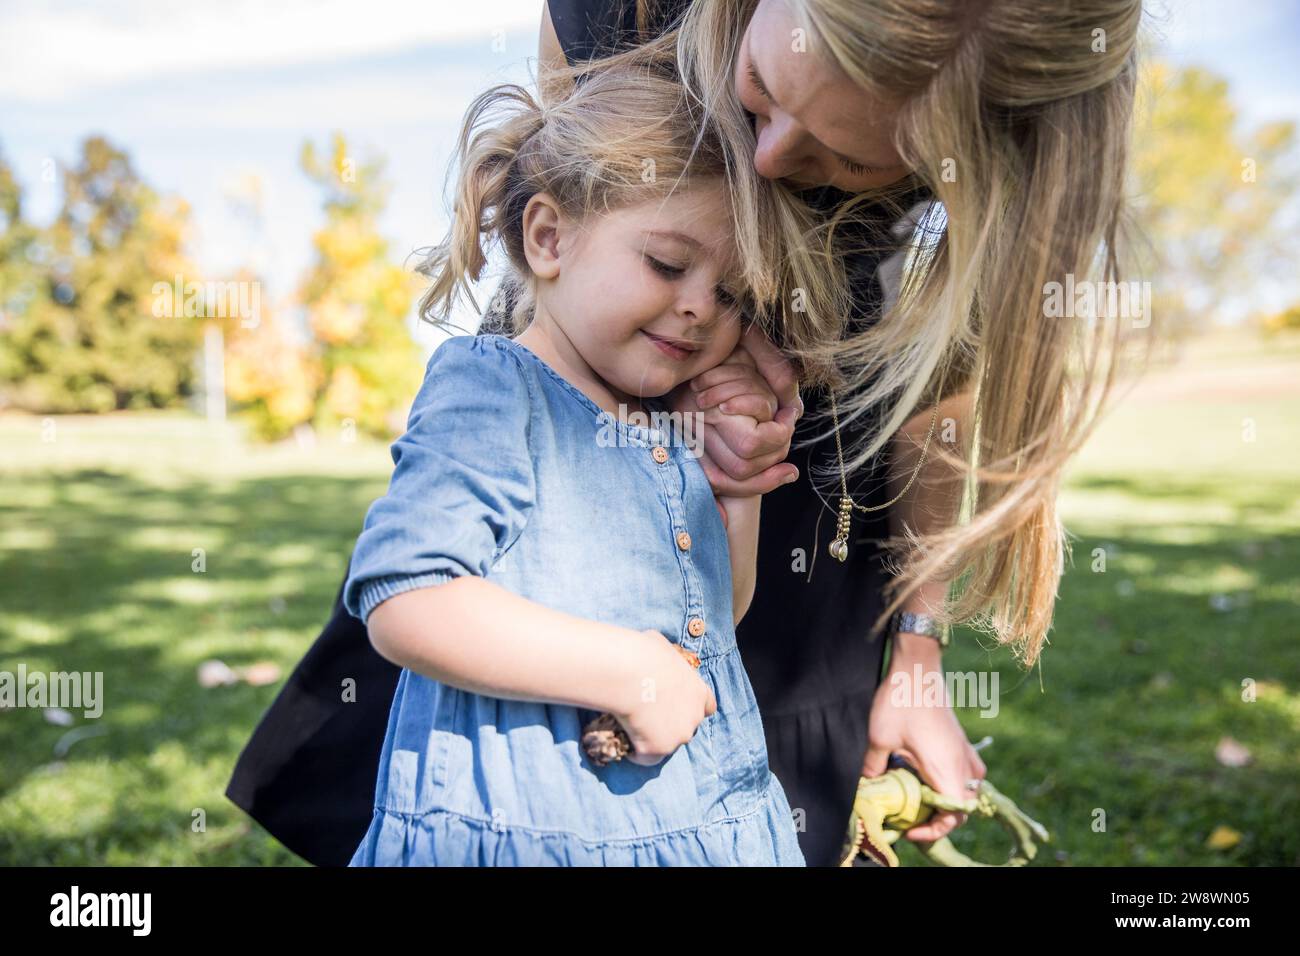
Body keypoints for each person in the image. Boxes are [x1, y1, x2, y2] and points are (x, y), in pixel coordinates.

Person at [228, 0, 1145, 867]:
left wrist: (904, 639)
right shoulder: (505, 396)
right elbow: (414, 588)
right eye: (764, 93)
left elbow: (712, 604)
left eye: (848, 158)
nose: (773, 159)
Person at [341, 52, 852, 864]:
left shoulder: (662, 420)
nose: (697, 307)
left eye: (730, 295)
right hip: (542, 827)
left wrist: (738, 494)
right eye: (667, 264)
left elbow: (713, 621)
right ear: (549, 237)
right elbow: (407, 596)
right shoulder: (497, 389)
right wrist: (625, 672)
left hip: (700, 821)